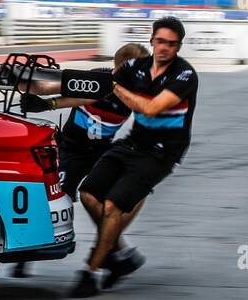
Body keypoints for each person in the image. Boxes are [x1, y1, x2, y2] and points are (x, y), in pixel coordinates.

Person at [71, 17, 198, 297]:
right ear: (152, 40)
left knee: (113, 206)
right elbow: (94, 86)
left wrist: (114, 85)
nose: (165, 48)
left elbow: (150, 108)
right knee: (89, 194)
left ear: (179, 46)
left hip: (162, 152)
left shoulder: (184, 75)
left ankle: (91, 271)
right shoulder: (134, 67)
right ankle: (119, 256)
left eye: (172, 44)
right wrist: (45, 95)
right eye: (160, 41)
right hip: (134, 143)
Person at [15, 42, 149, 278]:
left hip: (102, 152)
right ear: (116, 68)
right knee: (56, 200)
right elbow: (60, 90)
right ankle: (26, 255)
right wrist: (26, 86)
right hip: (72, 150)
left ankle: (111, 250)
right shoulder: (97, 78)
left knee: (123, 197)